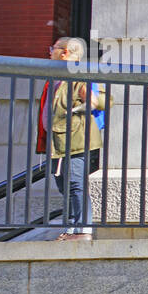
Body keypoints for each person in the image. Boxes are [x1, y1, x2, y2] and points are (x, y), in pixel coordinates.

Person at [46, 38, 106, 241]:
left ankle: (82, 229)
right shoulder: (58, 78)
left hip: (74, 139)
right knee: (64, 185)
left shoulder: (76, 76)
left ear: (64, 53)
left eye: (53, 49)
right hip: (58, 141)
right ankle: (73, 228)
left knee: (75, 183)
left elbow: (93, 101)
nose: (50, 52)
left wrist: (72, 115)